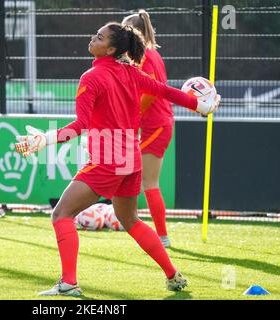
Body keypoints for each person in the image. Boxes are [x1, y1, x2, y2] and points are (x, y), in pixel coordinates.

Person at [15, 22, 220, 297]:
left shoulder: (91, 77)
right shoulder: (131, 73)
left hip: (108, 160)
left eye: (98, 37)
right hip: (130, 159)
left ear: (110, 49)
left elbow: (80, 126)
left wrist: (46, 140)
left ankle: (69, 284)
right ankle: (173, 275)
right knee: (130, 219)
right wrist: (199, 105)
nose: (92, 38)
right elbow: (166, 92)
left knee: (61, 213)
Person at [122, 10, 174, 248]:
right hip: (156, 123)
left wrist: (133, 113)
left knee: (149, 182)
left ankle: (162, 237)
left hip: (156, 124)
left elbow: (152, 92)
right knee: (143, 180)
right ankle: (135, 224)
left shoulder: (147, 57)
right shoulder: (146, 55)